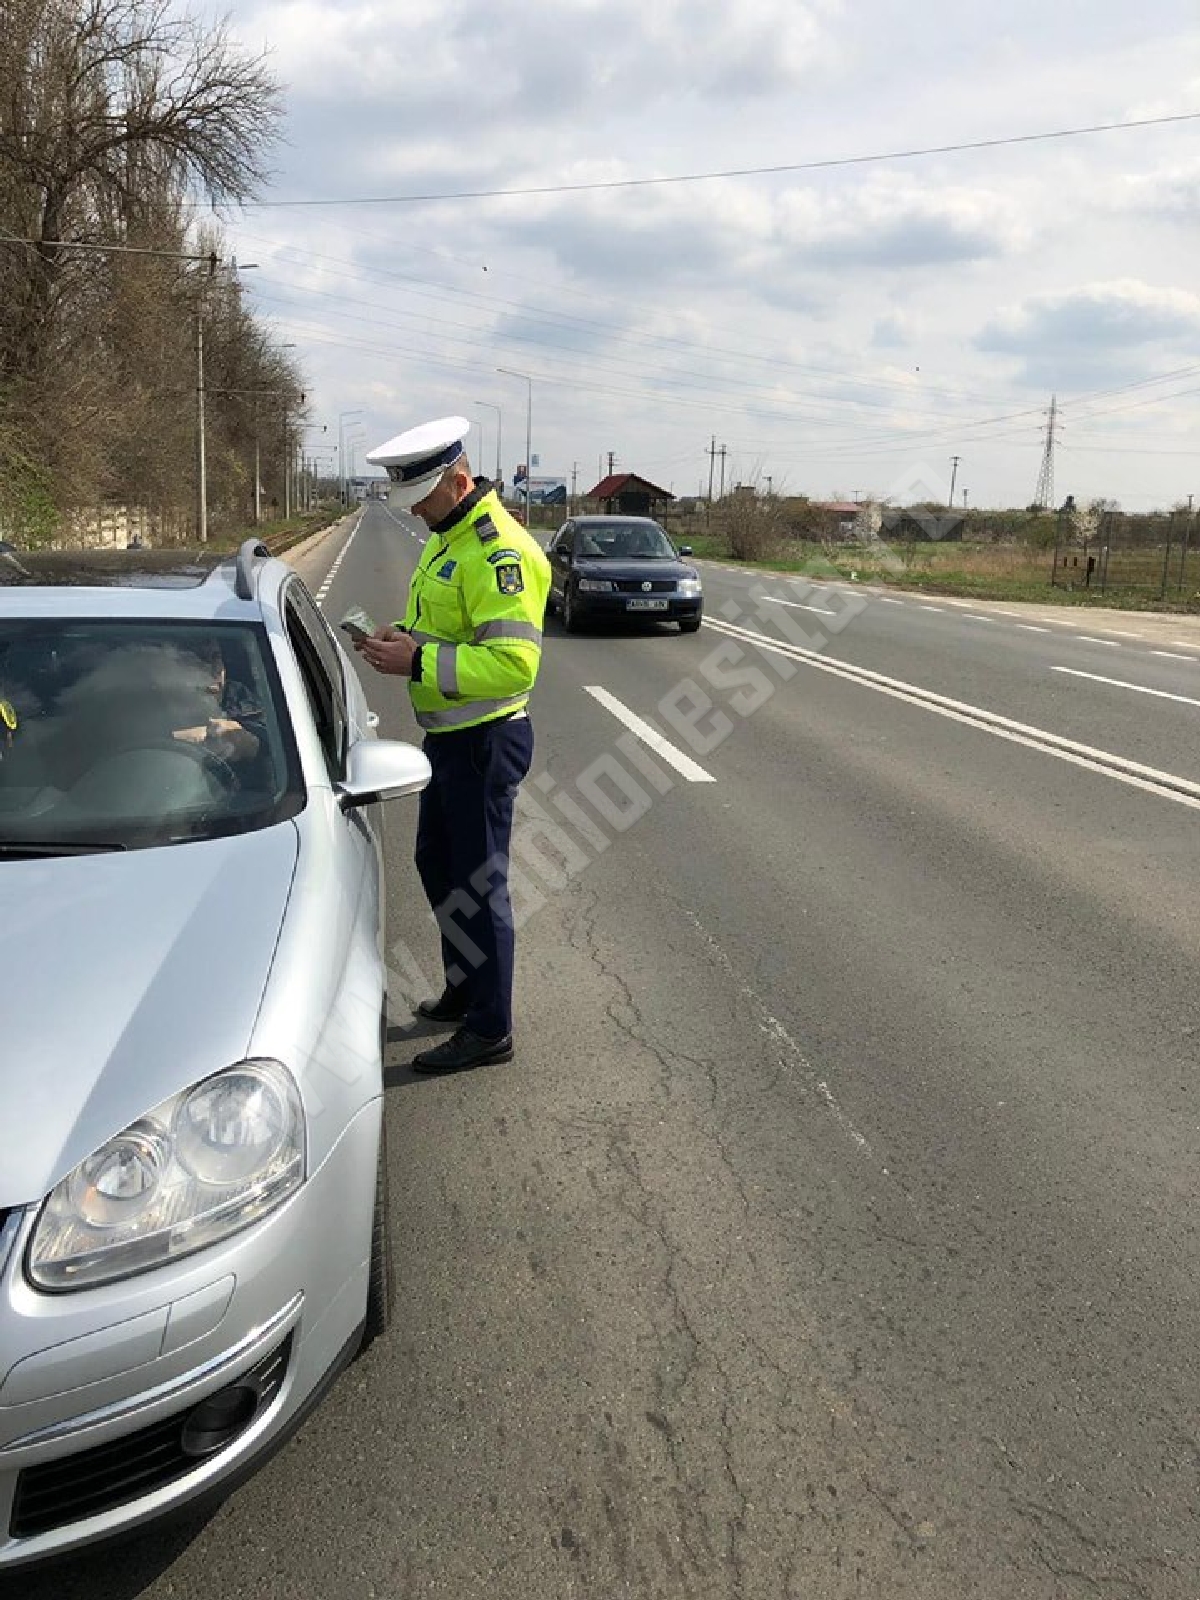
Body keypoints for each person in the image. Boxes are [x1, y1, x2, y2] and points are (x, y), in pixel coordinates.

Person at [357, 415, 550, 1074]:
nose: (417, 515)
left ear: (459, 479)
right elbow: (442, 624)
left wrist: (416, 663)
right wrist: (400, 635)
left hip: (485, 741)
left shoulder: (501, 553)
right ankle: (465, 988)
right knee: (438, 868)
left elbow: (512, 666)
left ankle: (490, 1027)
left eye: (423, 501)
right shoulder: (448, 536)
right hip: (448, 739)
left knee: (479, 884)